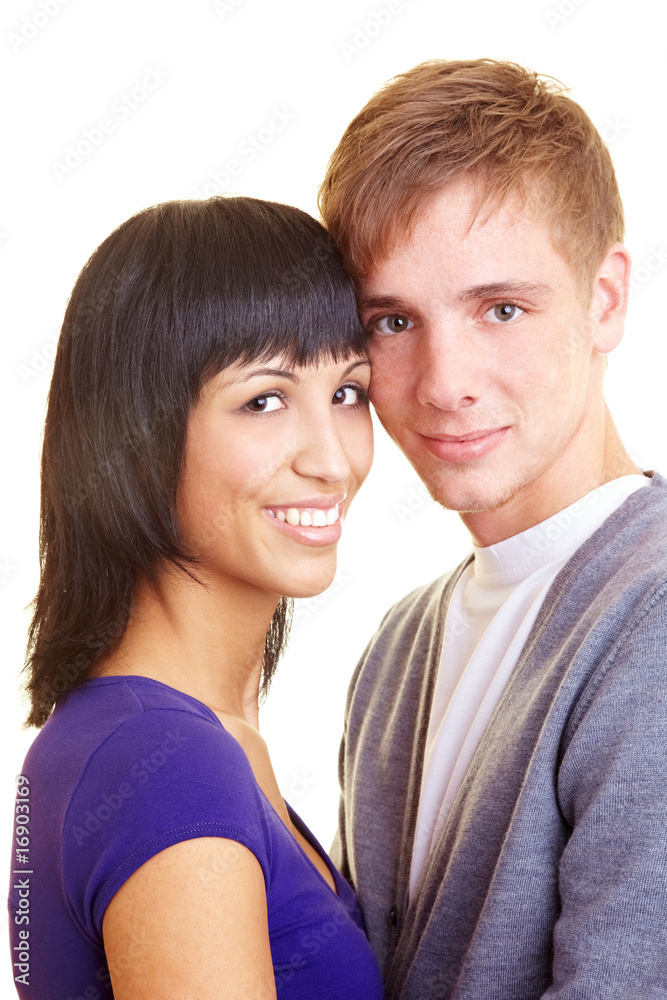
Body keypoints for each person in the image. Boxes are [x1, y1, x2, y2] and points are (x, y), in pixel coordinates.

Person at [318, 58, 667, 999]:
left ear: (604, 299)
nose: (444, 380)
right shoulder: (395, 652)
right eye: (392, 322)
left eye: (500, 308)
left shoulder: (653, 615)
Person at [8, 197, 383, 999]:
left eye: (348, 392)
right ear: (138, 437)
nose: (332, 459)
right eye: (264, 399)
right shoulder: (168, 761)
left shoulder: (155, 736)